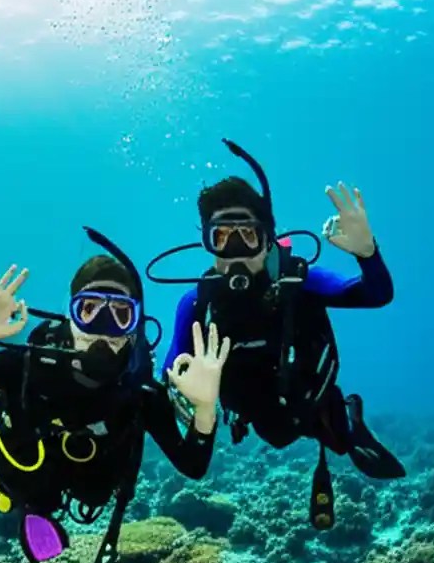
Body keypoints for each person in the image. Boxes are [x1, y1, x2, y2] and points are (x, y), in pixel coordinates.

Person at [0, 227, 230, 563]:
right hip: (29, 473)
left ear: (135, 328)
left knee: (95, 487)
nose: (104, 328)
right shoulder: (26, 367)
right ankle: (29, 507)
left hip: (95, 483)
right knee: (23, 486)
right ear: (70, 318)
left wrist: (206, 407)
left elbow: (193, 466)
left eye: (120, 314)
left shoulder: (140, 393)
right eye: (89, 310)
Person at [147, 139, 404, 532]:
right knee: (277, 431)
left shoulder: (300, 280)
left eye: (246, 235)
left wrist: (367, 253)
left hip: (310, 405)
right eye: (221, 237)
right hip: (251, 415)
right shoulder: (196, 304)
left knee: (338, 438)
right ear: (207, 242)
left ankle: (349, 418)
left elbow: (376, 294)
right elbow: (170, 374)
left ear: (267, 236)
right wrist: (183, 393)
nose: (234, 251)